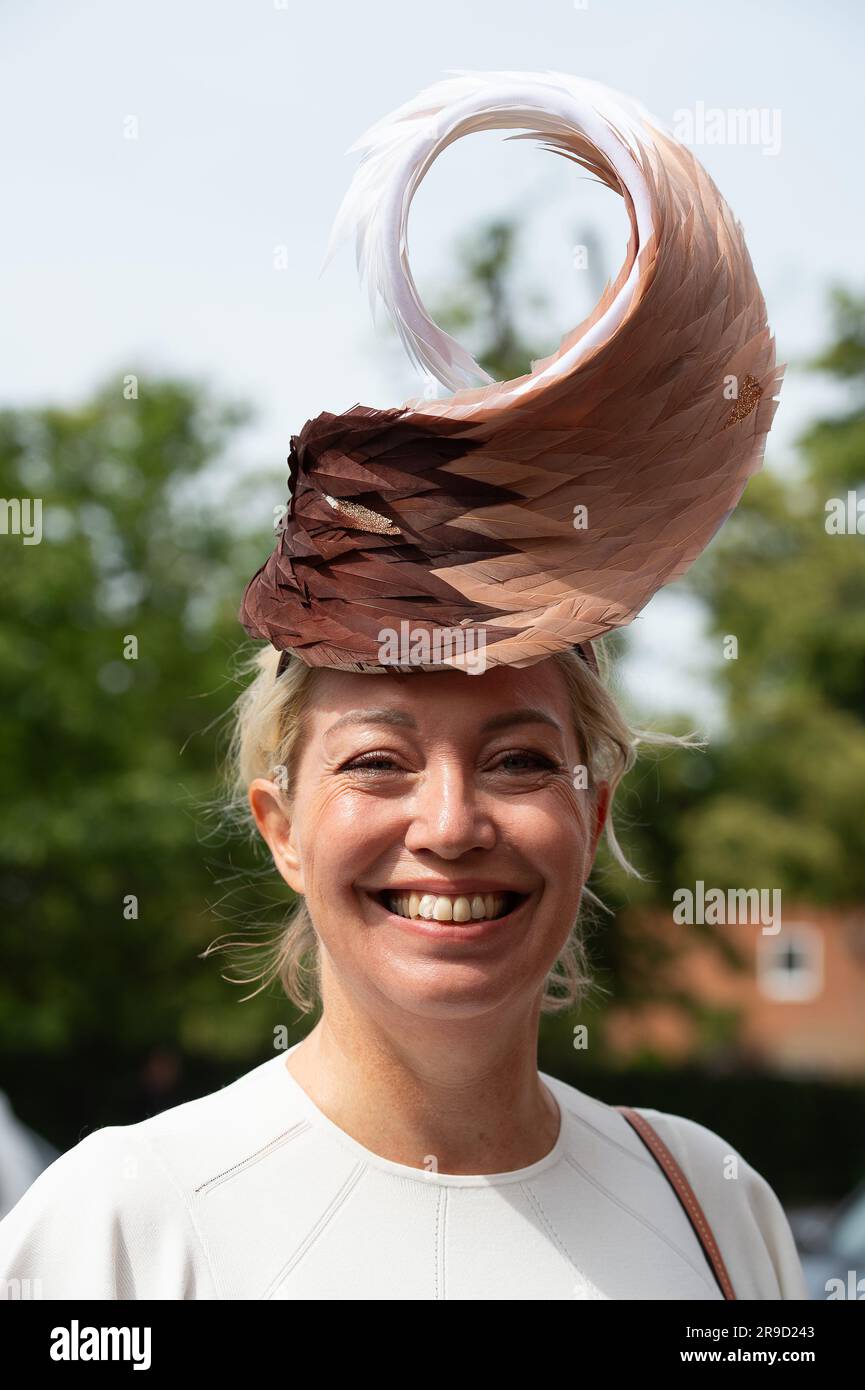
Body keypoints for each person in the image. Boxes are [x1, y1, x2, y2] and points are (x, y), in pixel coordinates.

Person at [0, 68, 809, 1300]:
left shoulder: (715, 1211)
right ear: (280, 823)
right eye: (376, 759)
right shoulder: (119, 1230)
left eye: (520, 759)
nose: (449, 824)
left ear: (591, 816)